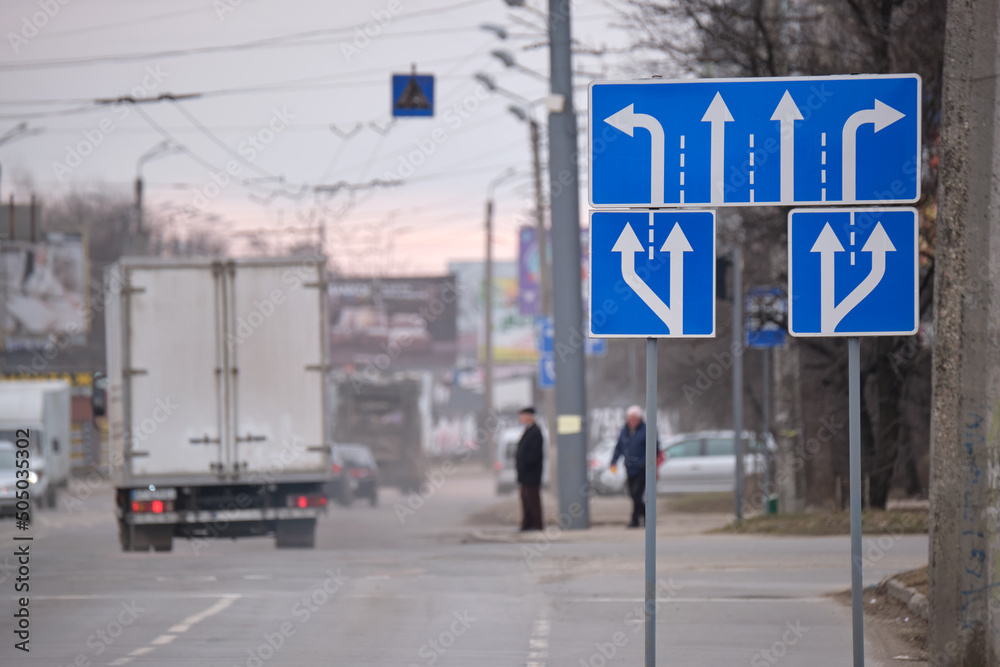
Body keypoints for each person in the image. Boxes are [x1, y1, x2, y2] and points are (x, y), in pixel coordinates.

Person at [610, 405, 660, 528]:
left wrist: (644, 462)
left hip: (643, 470)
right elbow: (619, 447)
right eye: (629, 418)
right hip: (630, 468)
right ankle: (648, 516)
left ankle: (635, 520)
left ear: (639, 418)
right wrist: (613, 461)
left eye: (633, 418)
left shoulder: (647, 430)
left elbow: (655, 449)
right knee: (633, 495)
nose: (631, 421)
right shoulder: (624, 431)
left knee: (636, 494)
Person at [515, 406, 544, 531]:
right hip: (525, 474)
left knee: (533, 500)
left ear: (529, 416)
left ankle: (536, 525)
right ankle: (527, 524)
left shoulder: (535, 432)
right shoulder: (527, 430)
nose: (520, 418)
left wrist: (525, 464)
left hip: (531, 473)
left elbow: (534, 454)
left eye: (522, 415)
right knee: (525, 500)